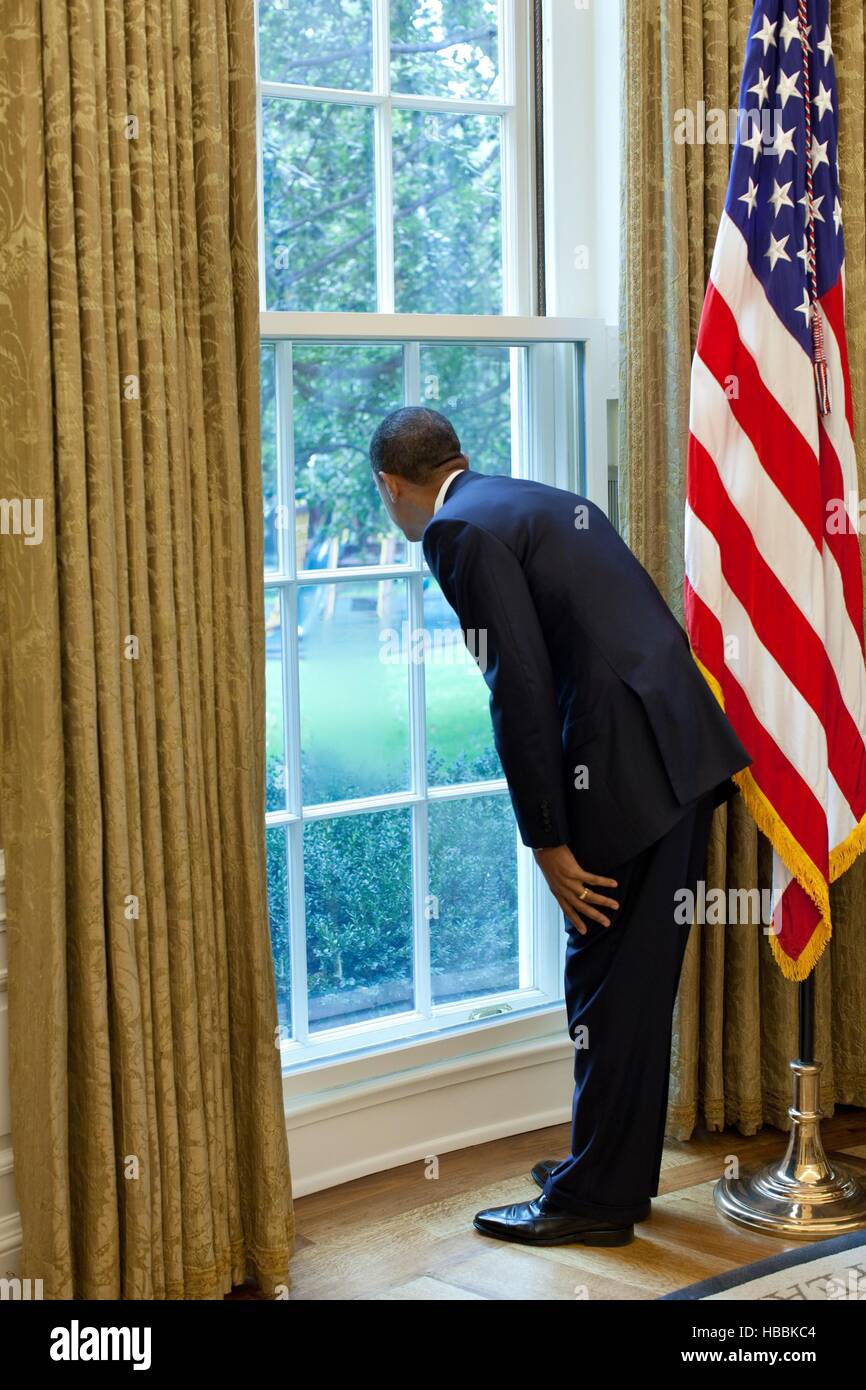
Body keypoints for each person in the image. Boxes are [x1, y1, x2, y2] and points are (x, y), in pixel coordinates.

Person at [369, 406, 752, 1247]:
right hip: (675, 751)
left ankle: (594, 1203)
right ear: (459, 458)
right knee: (627, 983)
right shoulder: (529, 500)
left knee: (610, 986)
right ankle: (607, 1171)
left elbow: (522, 692)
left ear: (394, 486)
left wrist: (546, 839)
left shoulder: (457, 533)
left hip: (625, 774)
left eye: (384, 499)